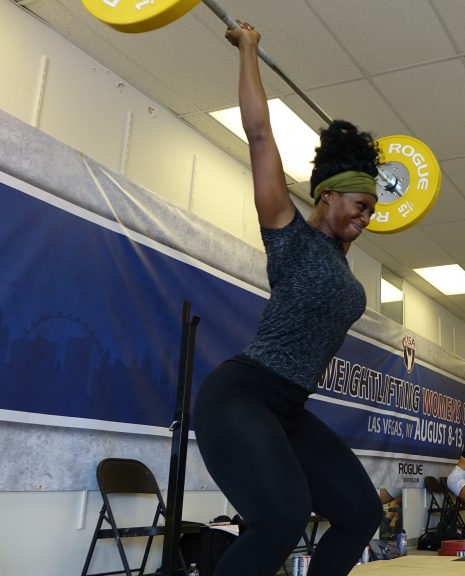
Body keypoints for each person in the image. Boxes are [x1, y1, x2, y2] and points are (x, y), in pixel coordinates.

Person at [192, 22, 383, 576]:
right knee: (281, 516)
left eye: (371, 210)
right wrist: (248, 50)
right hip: (243, 395)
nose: (364, 218)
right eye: (357, 205)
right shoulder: (290, 237)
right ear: (325, 196)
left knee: (359, 514)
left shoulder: (342, 264)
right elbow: (258, 135)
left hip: (290, 409)